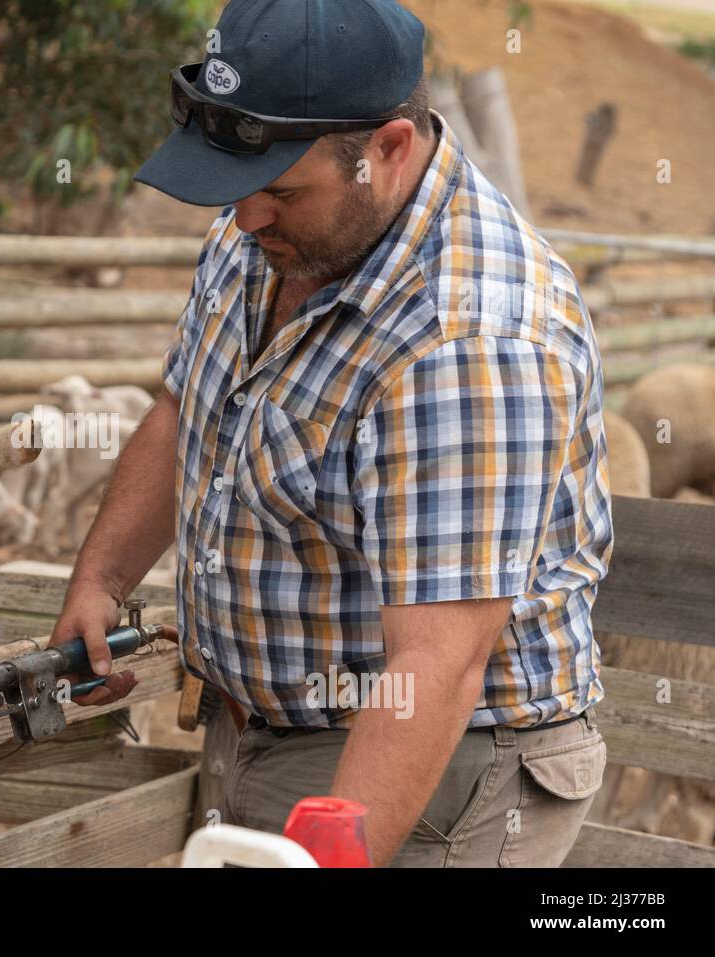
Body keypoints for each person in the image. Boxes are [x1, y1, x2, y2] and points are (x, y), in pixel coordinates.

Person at [50, 0, 612, 867]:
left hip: (429, 770)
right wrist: (101, 578)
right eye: (237, 187)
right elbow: (188, 406)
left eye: (278, 192)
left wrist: (328, 855)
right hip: (261, 727)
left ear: (386, 149)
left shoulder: (470, 338)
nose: (243, 220)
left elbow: (437, 663)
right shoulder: (282, 221)